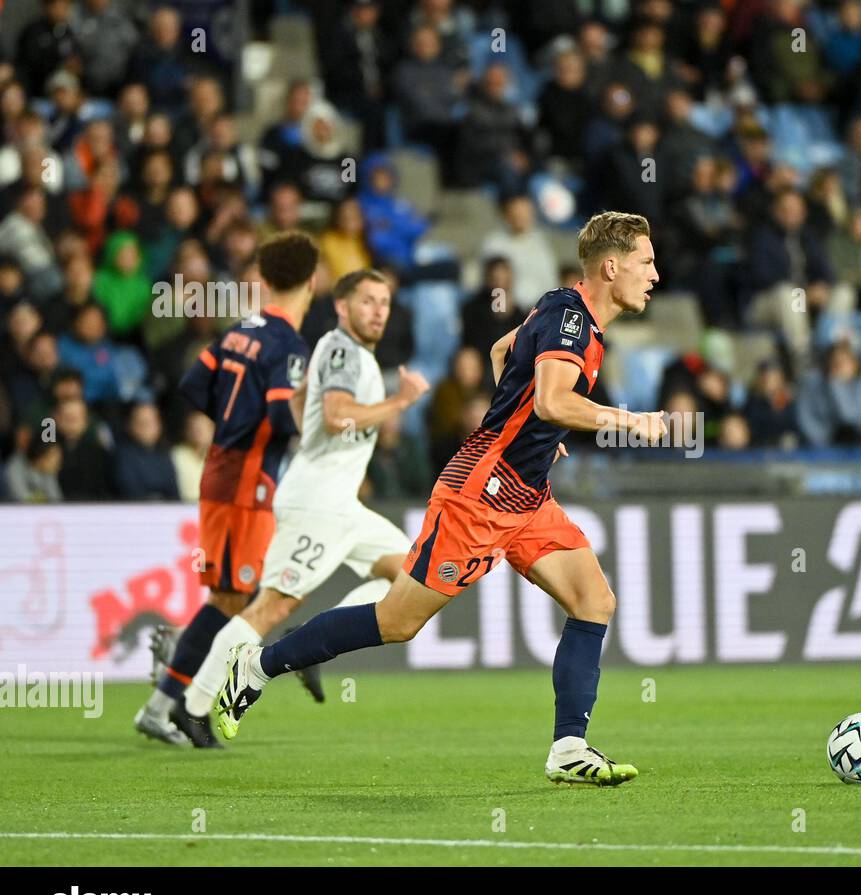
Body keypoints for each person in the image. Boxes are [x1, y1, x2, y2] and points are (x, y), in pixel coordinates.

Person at [213, 212, 667, 787]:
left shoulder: (566, 310)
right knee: (398, 621)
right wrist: (626, 421)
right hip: (481, 493)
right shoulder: (571, 319)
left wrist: (528, 433)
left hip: (525, 494)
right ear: (612, 265)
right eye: (646, 262)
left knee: (594, 601)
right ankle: (256, 665)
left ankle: (568, 747)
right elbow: (553, 400)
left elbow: (505, 352)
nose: (655, 274)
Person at [177, 269, 430, 730]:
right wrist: (401, 402)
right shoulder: (341, 350)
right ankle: (191, 709)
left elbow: (301, 406)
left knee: (409, 576)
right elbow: (336, 417)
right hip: (316, 504)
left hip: (342, 505)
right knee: (268, 607)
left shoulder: (342, 353)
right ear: (341, 306)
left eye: (384, 303)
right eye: (367, 301)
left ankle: (310, 640)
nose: (378, 311)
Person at [133, 231, 316, 748]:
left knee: (235, 596)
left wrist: (230, 422)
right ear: (312, 280)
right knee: (234, 597)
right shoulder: (287, 344)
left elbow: (193, 385)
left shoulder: (240, 331)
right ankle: (169, 704)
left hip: (224, 468)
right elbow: (282, 413)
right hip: (246, 481)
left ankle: (176, 700)